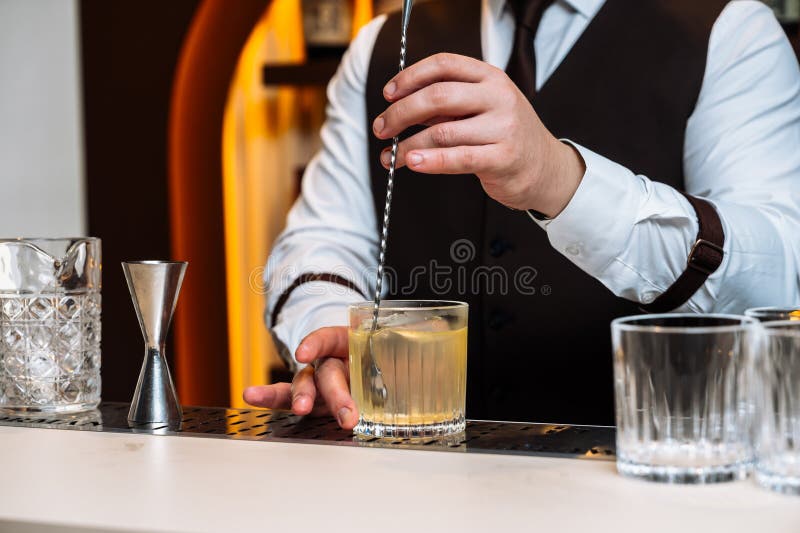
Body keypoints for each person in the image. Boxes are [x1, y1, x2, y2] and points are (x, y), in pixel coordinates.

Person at [244, 0, 800, 428]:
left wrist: (562, 181)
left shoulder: (730, 30)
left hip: (652, 487)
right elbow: (322, 239)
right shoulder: (381, 46)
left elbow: (777, 274)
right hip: (417, 488)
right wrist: (330, 323)